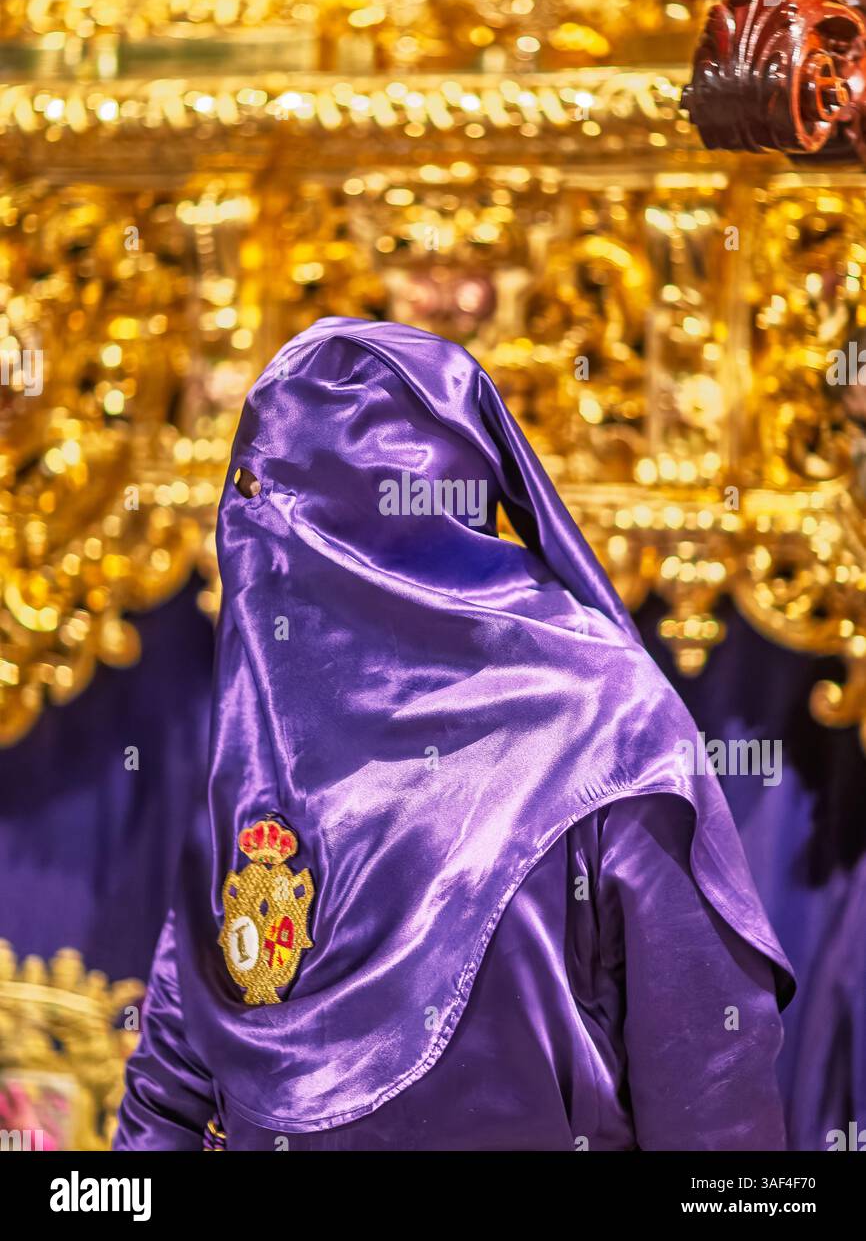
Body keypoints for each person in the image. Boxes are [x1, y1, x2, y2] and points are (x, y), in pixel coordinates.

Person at [114, 315, 793, 1151]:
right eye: (245, 498)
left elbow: (716, 1110)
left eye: (278, 506)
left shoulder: (612, 732)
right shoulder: (269, 743)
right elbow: (172, 1086)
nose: (252, 544)